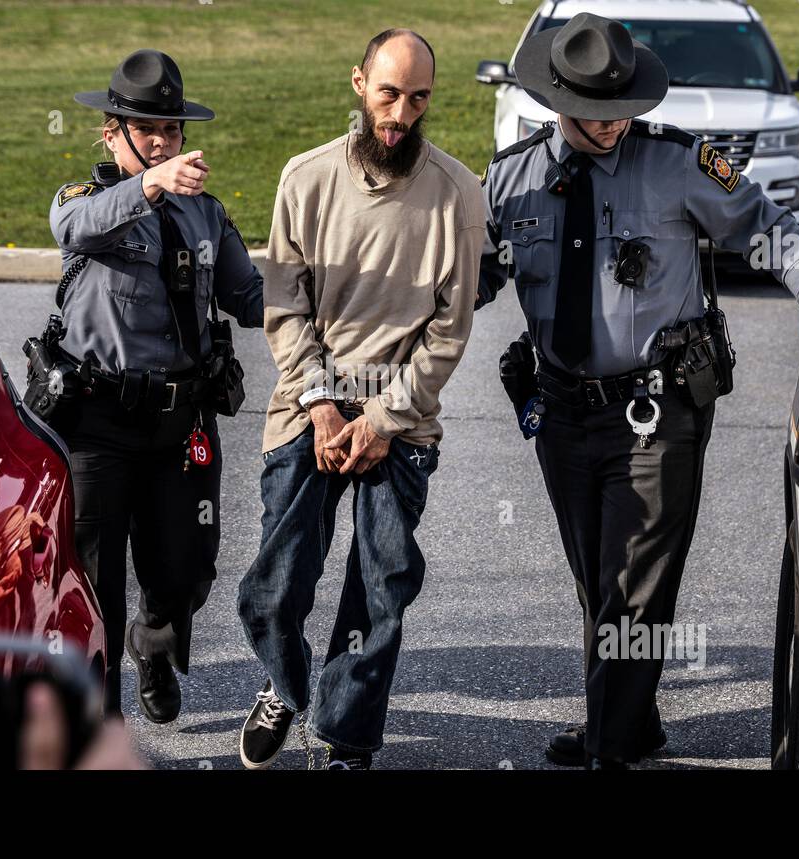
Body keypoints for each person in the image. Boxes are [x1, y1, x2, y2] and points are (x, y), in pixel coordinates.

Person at [476, 14, 799, 769]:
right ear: (557, 101)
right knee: (598, 581)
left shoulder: (681, 162)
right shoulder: (510, 177)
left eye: (623, 108)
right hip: (560, 411)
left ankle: (610, 748)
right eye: (595, 110)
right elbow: (468, 279)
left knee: (635, 589)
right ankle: (633, 718)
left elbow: (762, 221)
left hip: (657, 412)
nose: (614, 124)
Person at [235, 29, 485, 770]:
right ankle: (284, 682)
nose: (401, 113)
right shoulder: (305, 179)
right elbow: (283, 308)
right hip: (306, 406)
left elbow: (449, 331)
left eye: (418, 98)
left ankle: (346, 737)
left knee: (380, 593)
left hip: (400, 421)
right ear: (357, 84)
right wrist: (322, 406)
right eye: (388, 92)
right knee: (276, 585)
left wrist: (379, 419)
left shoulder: (457, 193)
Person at [50, 49, 264, 721]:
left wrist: (328, 276)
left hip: (179, 422)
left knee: (184, 570)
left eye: (172, 130)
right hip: (98, 420)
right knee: (94, 579)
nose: (166, 142)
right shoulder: (85, 202)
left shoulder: (206, 212)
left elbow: (251, 297)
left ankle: (155, 641)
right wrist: (149, 185)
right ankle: (101, 723)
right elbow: (72, 229)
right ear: (112, 133)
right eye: (150, 131)